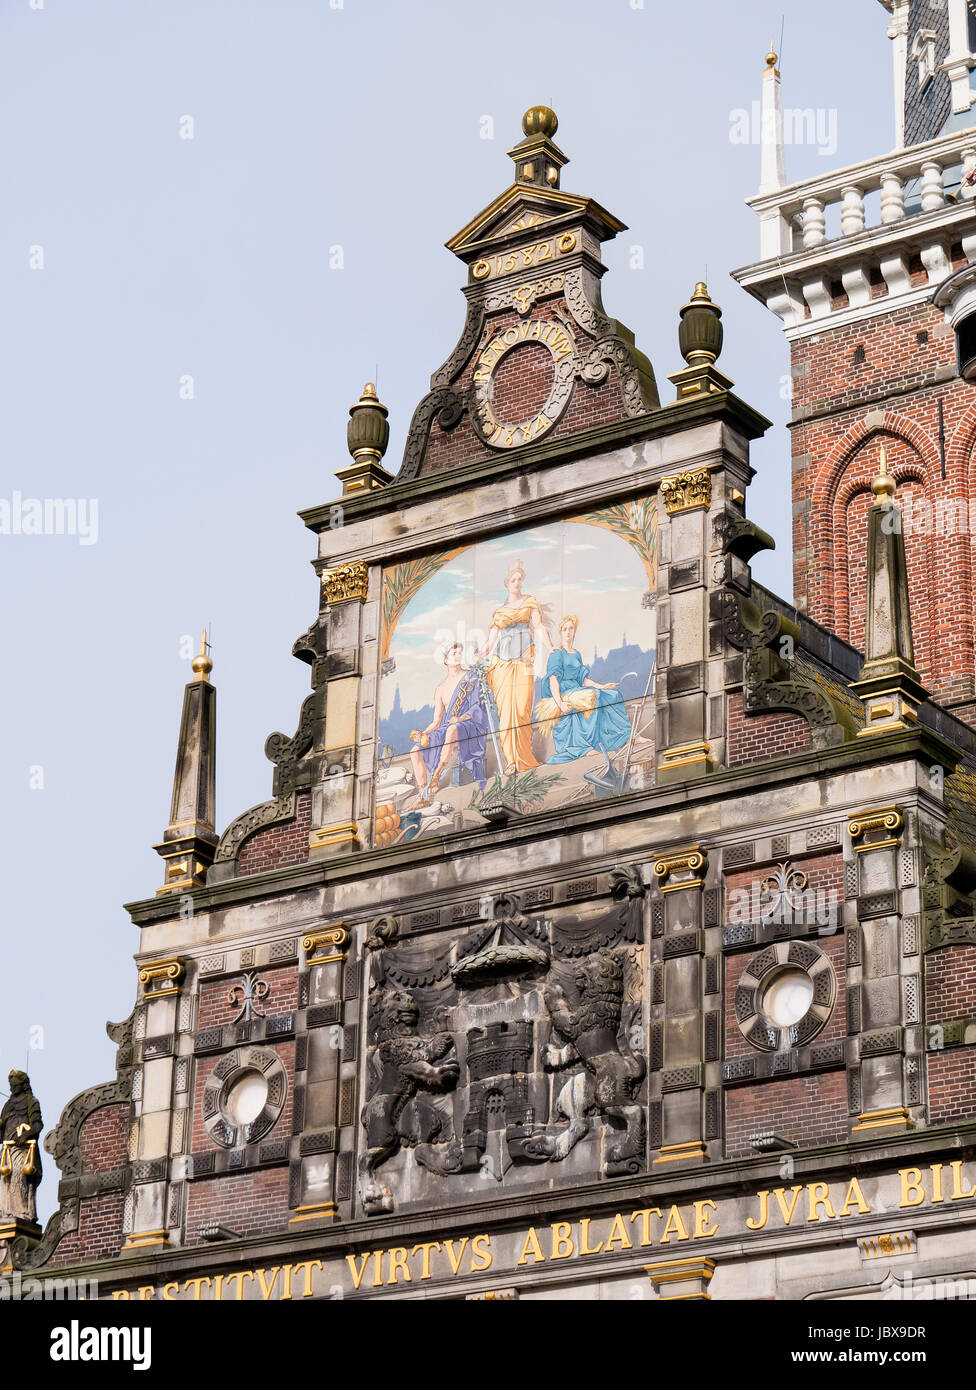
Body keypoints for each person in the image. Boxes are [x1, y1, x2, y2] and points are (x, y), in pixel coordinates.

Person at [479, 560, 554, 773]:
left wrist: (550, 648)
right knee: (505, 715)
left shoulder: (530, 602)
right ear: (507, 583)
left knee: (521, 709)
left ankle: (524, 757)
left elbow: (538, 627)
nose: (517, 582)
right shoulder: (499, 613)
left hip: (524, 660)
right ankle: (511, 761)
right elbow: (490, 642)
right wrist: (479, 655)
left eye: (520, 579)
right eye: (513, 579)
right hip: (502, 665)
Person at [534, 614, 631, 764]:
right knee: (594, 696)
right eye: (565, 629)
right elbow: (553, 680)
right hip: (563, 693)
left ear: (575, 631)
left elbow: (583, 679)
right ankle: (584, 746)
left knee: (613, 695)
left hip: (577, 689)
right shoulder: (557, 653)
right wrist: (560, 703)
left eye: (571, 628)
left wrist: (602, 686)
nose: (568, 632)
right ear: (560, 632)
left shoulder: (576, 654)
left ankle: (626, 736)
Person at [409, 641, 488, 805]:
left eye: (459, 652)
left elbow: (477, 706)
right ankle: (422, 795)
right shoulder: (441, 688)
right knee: (415, 751)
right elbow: (436, 721)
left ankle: (436, 776)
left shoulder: (471, 677)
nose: (458, 655)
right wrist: (423, 734)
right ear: (445, 659)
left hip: (470, 724)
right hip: (448, 726)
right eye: (454, 653)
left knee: (452, 729)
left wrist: (460, 718)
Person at [0, 1071, 43, 1224]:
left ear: (23, 1085)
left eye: (15, 1086)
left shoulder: (32, 1101)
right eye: (11, 1086)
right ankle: (5, 1212)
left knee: (19, 1176)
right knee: (5, 1179)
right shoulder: (7, 1105)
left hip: (24, 1149)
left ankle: (22, 1212)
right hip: (7, 1149)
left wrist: (25, 1136)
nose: (11, 1089)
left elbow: (37, 1125)